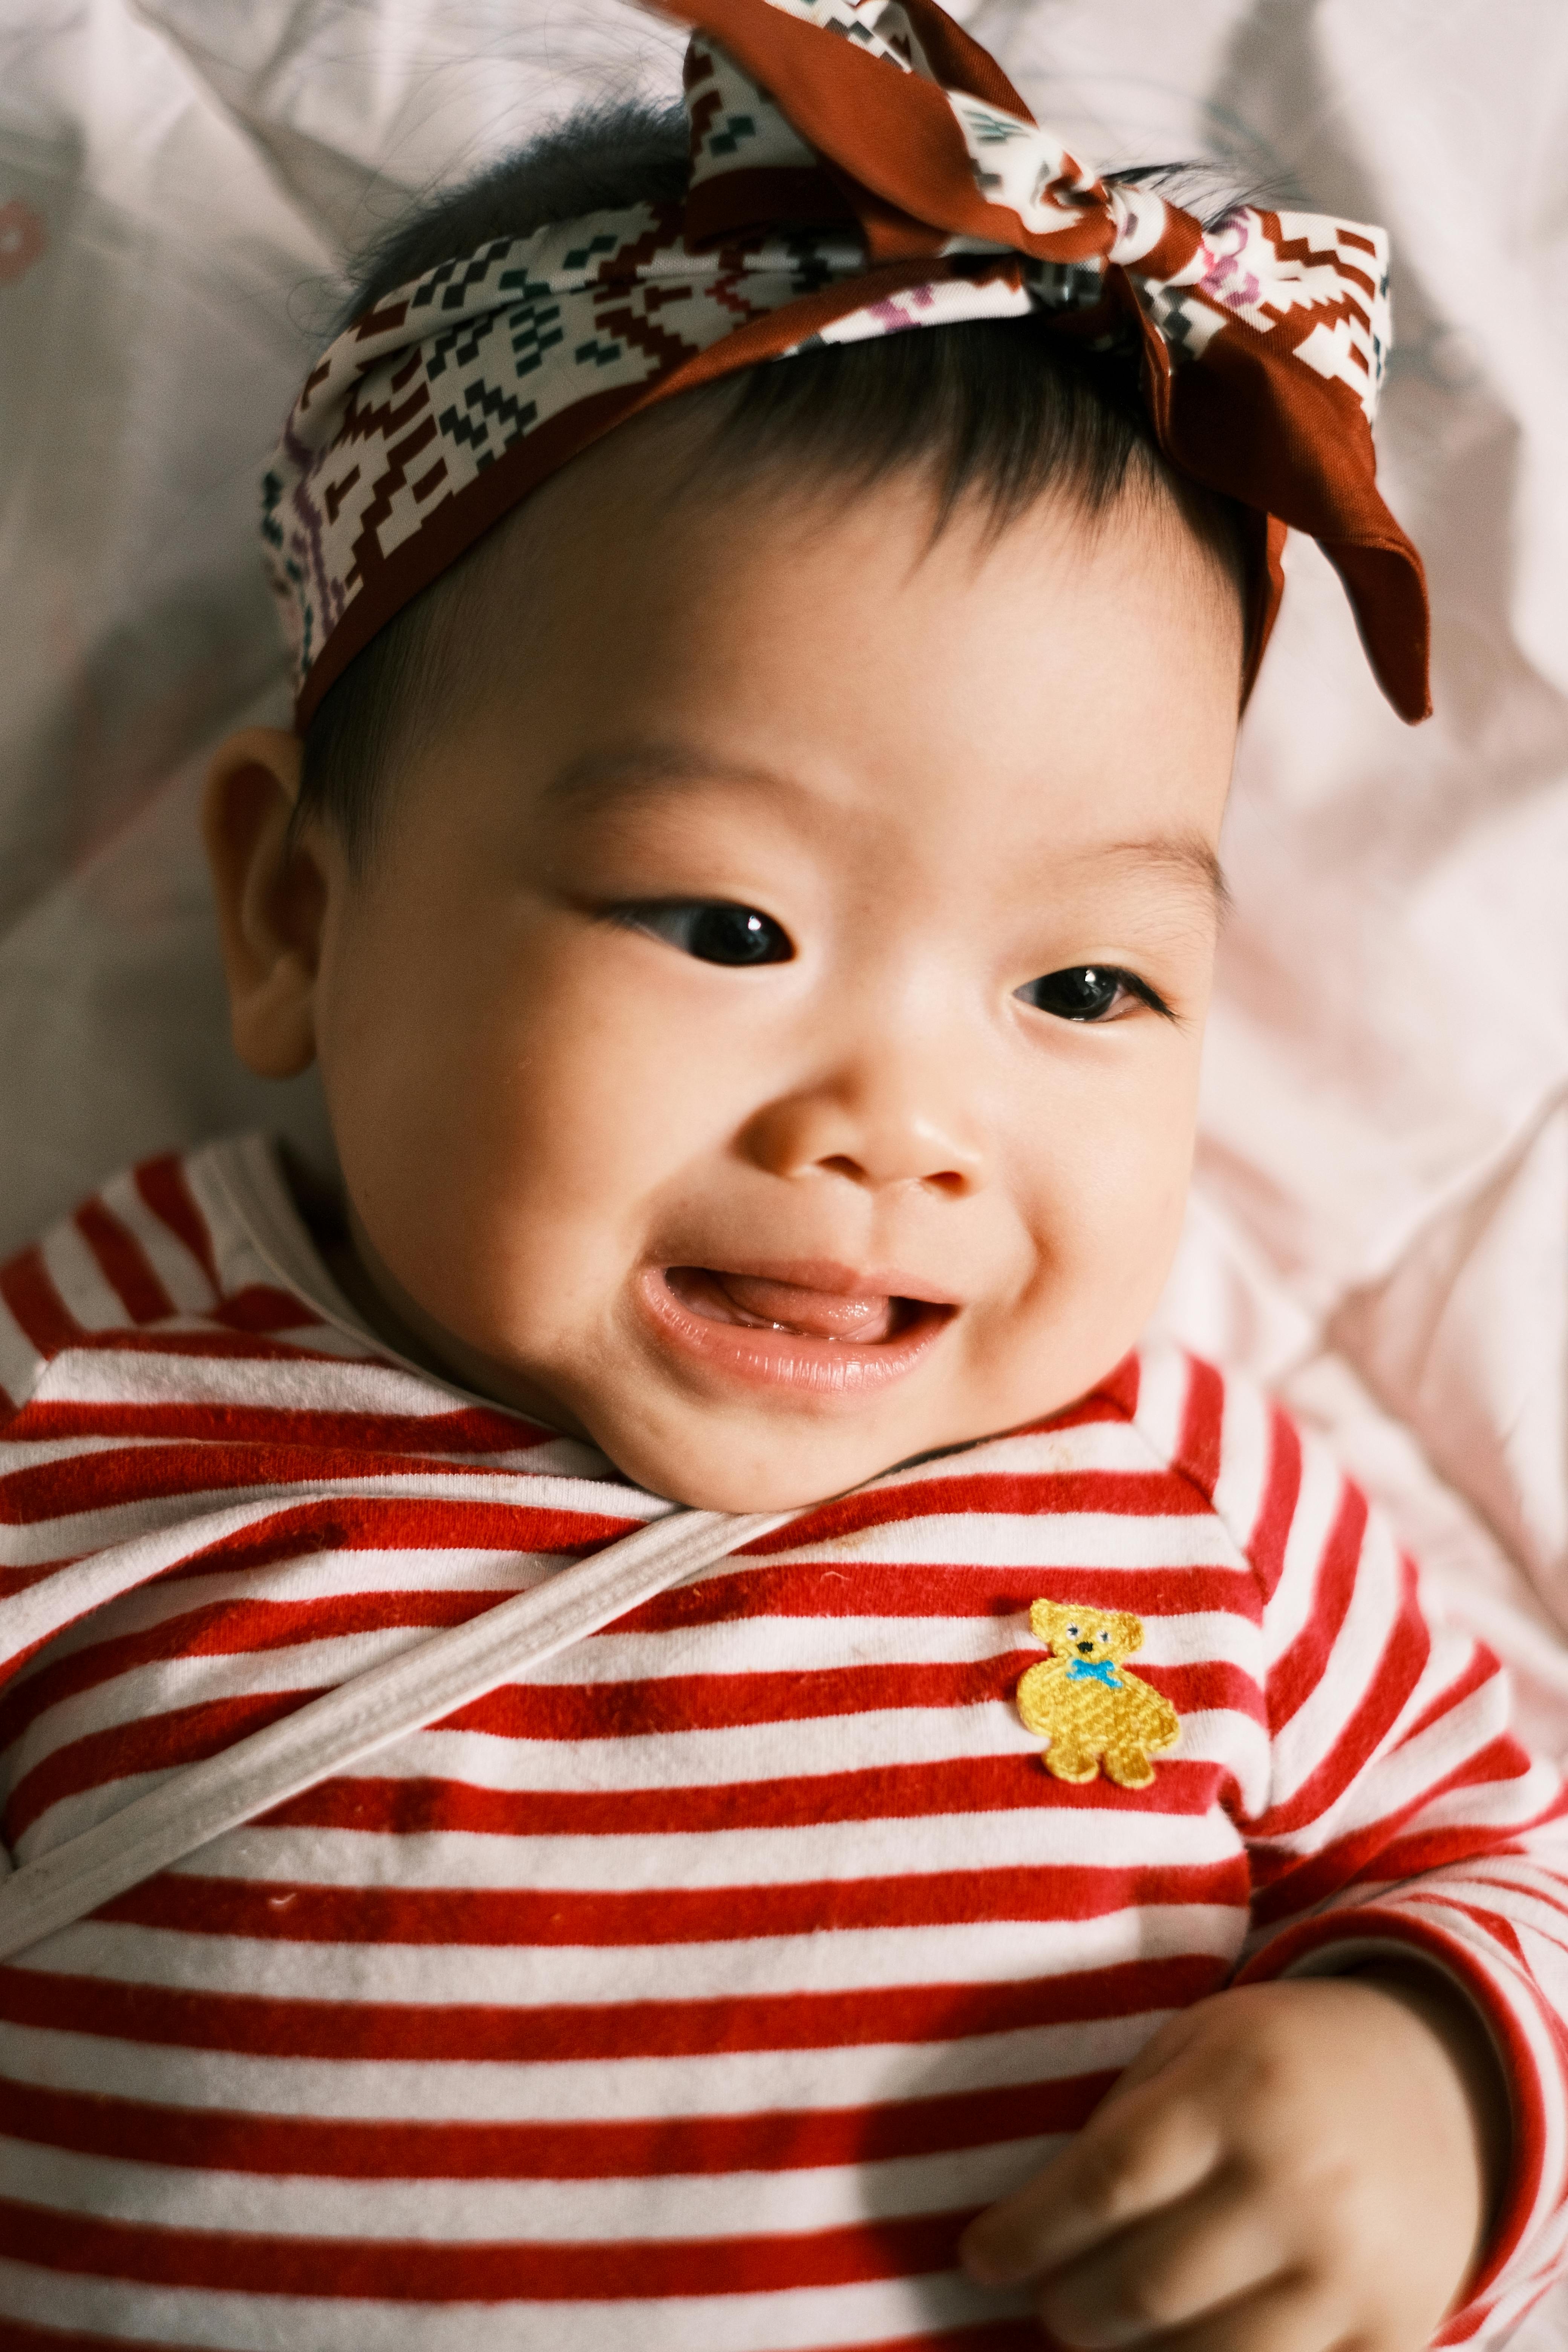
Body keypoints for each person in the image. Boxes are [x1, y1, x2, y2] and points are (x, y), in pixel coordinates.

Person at [0, 2, 1561, 2347]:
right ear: (299, 915)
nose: (899, 1125)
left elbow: (1500, 1862)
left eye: (1086, 987)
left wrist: (1430, 2083)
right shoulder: (88, 1384)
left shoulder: (1200, 1519)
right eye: (728, 927)